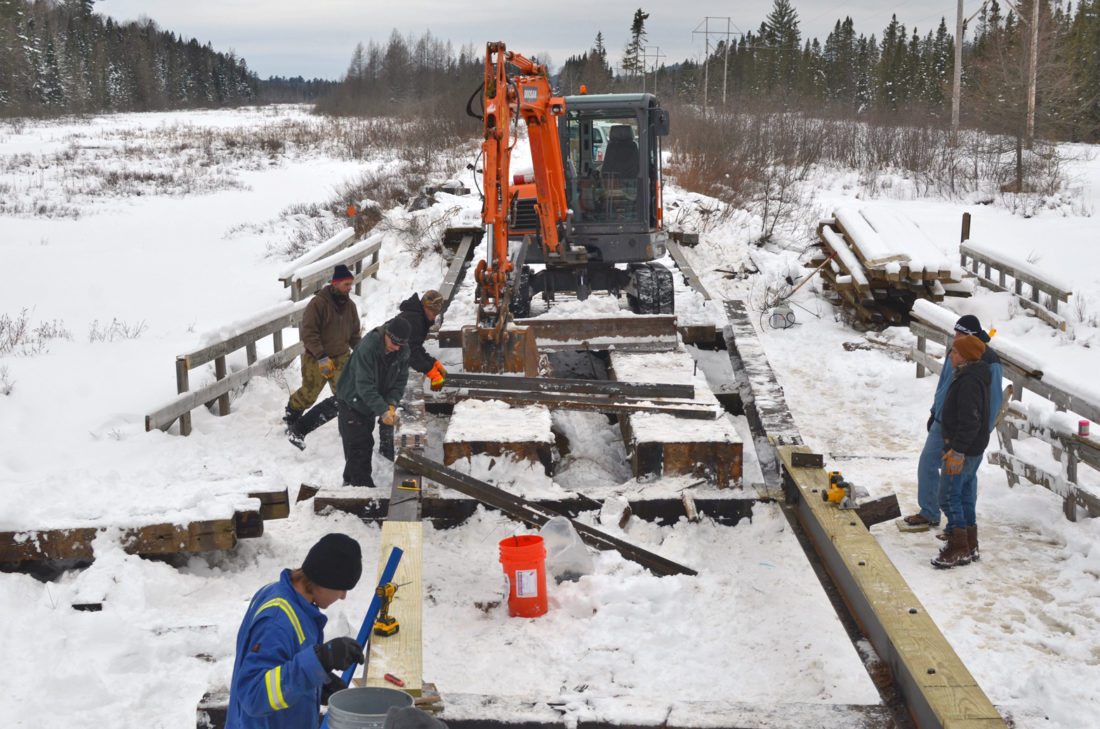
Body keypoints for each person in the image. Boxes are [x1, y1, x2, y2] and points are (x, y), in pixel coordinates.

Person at [226, 533, 366, 729]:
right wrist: (320, 660)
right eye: (341, 588)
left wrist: (318, 683)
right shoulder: (277, 621)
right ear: (324, 579)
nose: (343, 596)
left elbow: (282, 665)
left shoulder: (286, 597)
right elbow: (253, 694)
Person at [900, 314, 1003, 533]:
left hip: (968, 429)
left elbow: (993, 400)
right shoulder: (956, 352)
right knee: (928, 462)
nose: (954, 338)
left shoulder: (989, 361)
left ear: (971, 337)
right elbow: (944, 384)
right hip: (943, 422)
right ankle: (929, 512)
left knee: (964, 478)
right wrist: (934, 410)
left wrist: (982, 429)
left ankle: (961, 527)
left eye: (959, 334)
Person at [285, 265, 362, 449]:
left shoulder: (350, 306)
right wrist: (321, 356)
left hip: (342, 357)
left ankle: (346, 427)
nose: (349, 288)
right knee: (309, 394)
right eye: (346, 284)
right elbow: (309, 333)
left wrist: (361, 353)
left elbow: (354, 335)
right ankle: (291, 417)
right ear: (335, 283)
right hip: (316, 358)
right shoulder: (318, 304)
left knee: (345, 395)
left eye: (351, 284)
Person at [932, 335, 991, 568]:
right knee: (964, 493)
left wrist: (957, 450)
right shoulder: (972, 375)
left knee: (949, 495)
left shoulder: (969, 381)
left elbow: (970, 421)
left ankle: (959, 548)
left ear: (965, 356)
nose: (950, 355)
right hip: (971, 446)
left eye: (955, 352)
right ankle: (970, 544)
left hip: (964, 449)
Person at [335, 317, 410, 487]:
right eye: (394, 342)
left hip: (369, 402)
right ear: (387, 334)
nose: (396, 347)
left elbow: (400, 381)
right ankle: (363, 489)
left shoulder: (403, 351)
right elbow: (364, 386)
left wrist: (391, 403)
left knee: (360, 446)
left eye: (401, 345)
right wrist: (383, 410)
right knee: (360, 445)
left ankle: (350, 483)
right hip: (352, 398)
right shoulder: (368, 347)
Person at [376, 291, 447, 460]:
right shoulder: (415, 319)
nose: (434, 317)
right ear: (424, 307)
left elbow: (414, 346)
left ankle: (386, 447)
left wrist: (433, 363)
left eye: (437, 313)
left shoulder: (418, 316)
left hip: (392, 358)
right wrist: (432, 372)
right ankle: (386, 448)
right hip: (383, 359)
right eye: (432, 312)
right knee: (388, 398)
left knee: (390, 399)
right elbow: (412, 353)